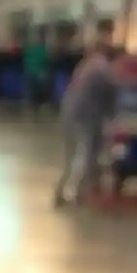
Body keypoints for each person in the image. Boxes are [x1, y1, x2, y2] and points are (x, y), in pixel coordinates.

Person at [53, 28, 118, 207]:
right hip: (87, 117)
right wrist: (113, 118)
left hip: (70, 113)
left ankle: (61, 192)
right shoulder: (103, 68)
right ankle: (81, 195)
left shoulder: (85, 65)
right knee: (87, 156)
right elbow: (111, 95)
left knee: (71, 156)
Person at [23, 33, 51, 113]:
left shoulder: (29, 49)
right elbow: (47, 61)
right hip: (38, 73)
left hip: (30, 72)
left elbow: (26, 59)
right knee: (42, 86)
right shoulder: (42, 50)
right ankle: (41, 103)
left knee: (31, 90)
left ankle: (30, 104)